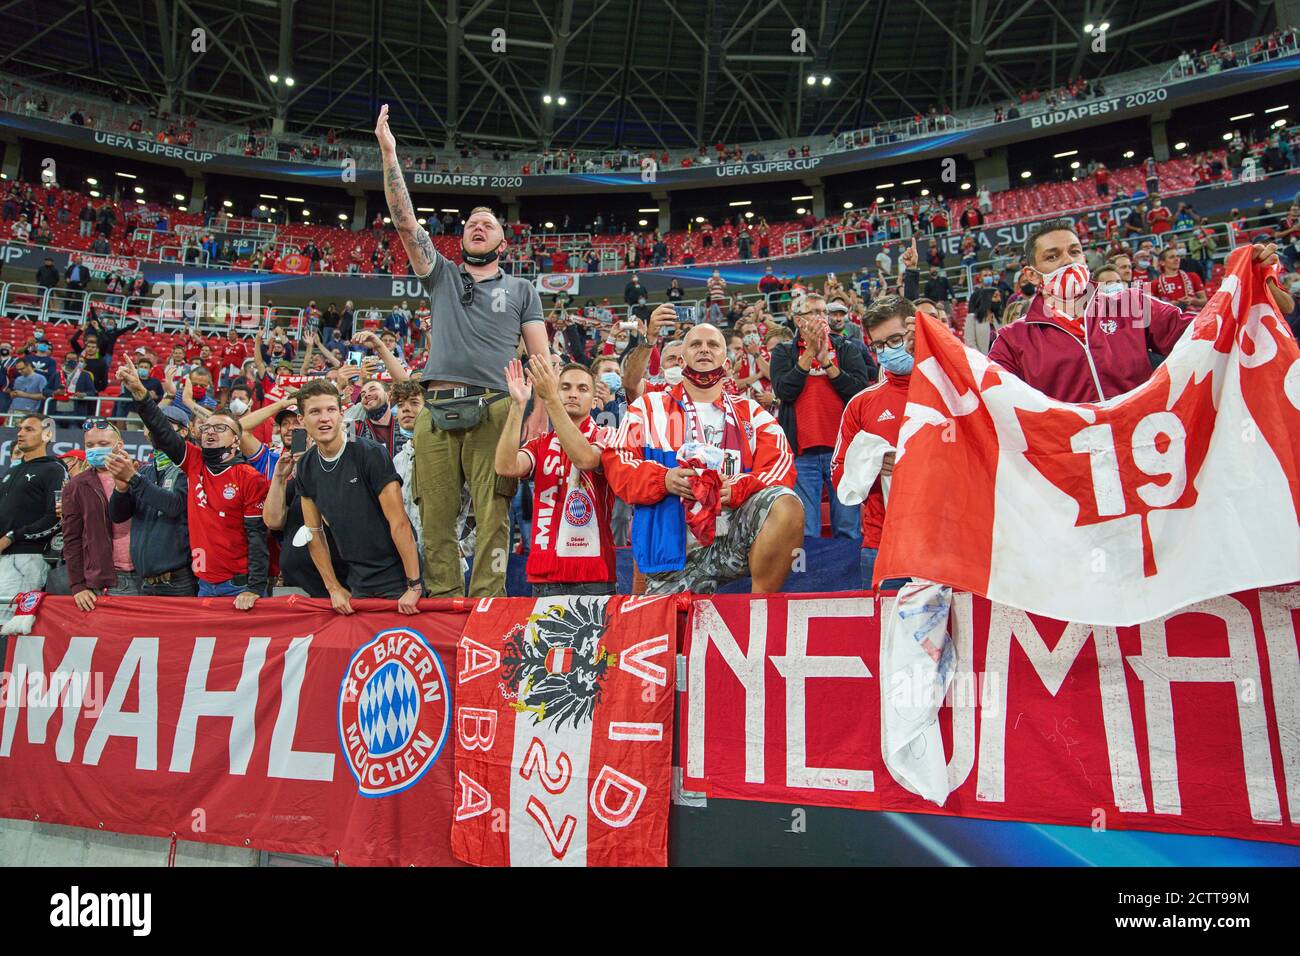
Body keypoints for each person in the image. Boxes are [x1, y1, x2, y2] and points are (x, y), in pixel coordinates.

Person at [376, 105, 549, 597]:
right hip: (436, 406)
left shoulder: (522, 289)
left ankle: (487, 610)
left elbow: (541, 357)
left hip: (496, 407)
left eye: (488, 223)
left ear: (502, 242)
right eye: (471, 222)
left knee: (494, 513)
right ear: (461, 237)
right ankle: (445, 605)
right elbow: (407, 225)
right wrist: (390, 154)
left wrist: (539, 410)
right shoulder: (441, 275)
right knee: (434, 514)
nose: (478, 225)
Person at [987, 219, 1294, 402]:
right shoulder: (1014, 338)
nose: (1068, 261)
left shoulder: (1130, 304)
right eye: (1052, 257)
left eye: (1074, 251)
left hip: (1144, 452)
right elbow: (988, 397)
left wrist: (1247, 283)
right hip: (1070, 466)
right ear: (1031, 275)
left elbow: (1207, 332)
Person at [603, 323, 803, 594]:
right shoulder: (648, 408)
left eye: (713, 345)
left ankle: (759, 611)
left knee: (785, 503)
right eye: (696, 344)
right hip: (672, 549)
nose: (704, 349)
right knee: (673, 634)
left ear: (728, 363)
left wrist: (736, 489)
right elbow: (619, 464)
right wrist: (664, 479)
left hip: (732, 541)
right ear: (682, 359)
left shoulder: (752, 413)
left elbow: (781, 468)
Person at [115, 363, 270, 609]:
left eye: (220, 428)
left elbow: (257, 536)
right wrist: (140, 392)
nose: (211, 432)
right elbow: (163, 432)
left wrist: (255, 587)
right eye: (207, 428)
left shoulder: (250, 477)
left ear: (236, 440)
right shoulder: (195, 461)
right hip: (203, 585)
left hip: (238, 587)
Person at [292, 379, 422, 613]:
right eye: (315, 412)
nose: (324, 418)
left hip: (397, 577)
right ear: (301, 420)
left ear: (341, 414)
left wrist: (414, 585)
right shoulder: (306, 466)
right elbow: (313, 532)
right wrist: (333, 588)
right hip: (356, 580)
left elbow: (399, 522)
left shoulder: (370, 454)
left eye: (331, 410)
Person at [495, 355, 616, 597]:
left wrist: (550, 399)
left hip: (593, 574)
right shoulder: (540, 444)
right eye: (565, 387)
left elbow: (585, 459)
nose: (573, 394)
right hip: (546, 572)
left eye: (582, 389)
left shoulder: (608, 435)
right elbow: (505, 467)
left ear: (594, 401)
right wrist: (518, 407)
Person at [768, 292, 873, 540]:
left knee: (848, 526)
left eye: (824, 312)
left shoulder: (848, 348)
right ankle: (813, 579)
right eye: (814, 312)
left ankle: (850, 578)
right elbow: (784, 391)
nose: (822, 318)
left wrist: (827, 363)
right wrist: (809, 355)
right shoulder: (784, 352)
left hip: (843, 451)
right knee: (806, 530)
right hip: (802, 453)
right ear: (798, 320)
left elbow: (858, 391)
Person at [830, 296, 916, 591]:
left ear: (915, 332)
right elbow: (839, 475)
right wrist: (870, 463)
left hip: (948, 544)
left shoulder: (954, 392)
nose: (887, 351)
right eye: (878, 345)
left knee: (966, 636)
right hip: (883, 545)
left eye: (895, 339)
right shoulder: (862, 404)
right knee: (883, 637)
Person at [105, 404, 197, 596]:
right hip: (146, 582)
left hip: (178, 581)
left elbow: (174, 506)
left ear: (183, 431)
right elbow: (118, 516)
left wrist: (133, 479)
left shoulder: (190, 470)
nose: (154, 428)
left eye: (162, 424)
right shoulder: (144, 471)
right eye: (149, 424)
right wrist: (121, 489)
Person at [62, 420, 140, 610]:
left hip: (147, 576)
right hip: (106, 578)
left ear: (119, 445)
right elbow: (72, 538)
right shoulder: (76, 485)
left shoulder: (143, 474)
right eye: (90, 445)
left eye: (103, 444)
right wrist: (78, 585)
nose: (95, 449)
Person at [0, 413, 62, 597]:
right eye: (20, 428)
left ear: (47, 435)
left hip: (26, 557)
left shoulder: (54, 469)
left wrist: (11, 537)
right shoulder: (13, 471)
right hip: (4, 553)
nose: (20, 433)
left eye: (29, 429)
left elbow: (56, 518)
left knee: (9, 621)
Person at [1150, 245, 1207, 310]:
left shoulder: (1193, 276)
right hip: (1170, 317)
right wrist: (1167, 304)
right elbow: (1150, 309)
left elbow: (1205, 301)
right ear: (1162, 262)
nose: (1177, 259)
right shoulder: (1155, 283)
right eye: (1172, 257)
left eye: (1178, 256)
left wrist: (1193, 301)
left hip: (1192, 316)